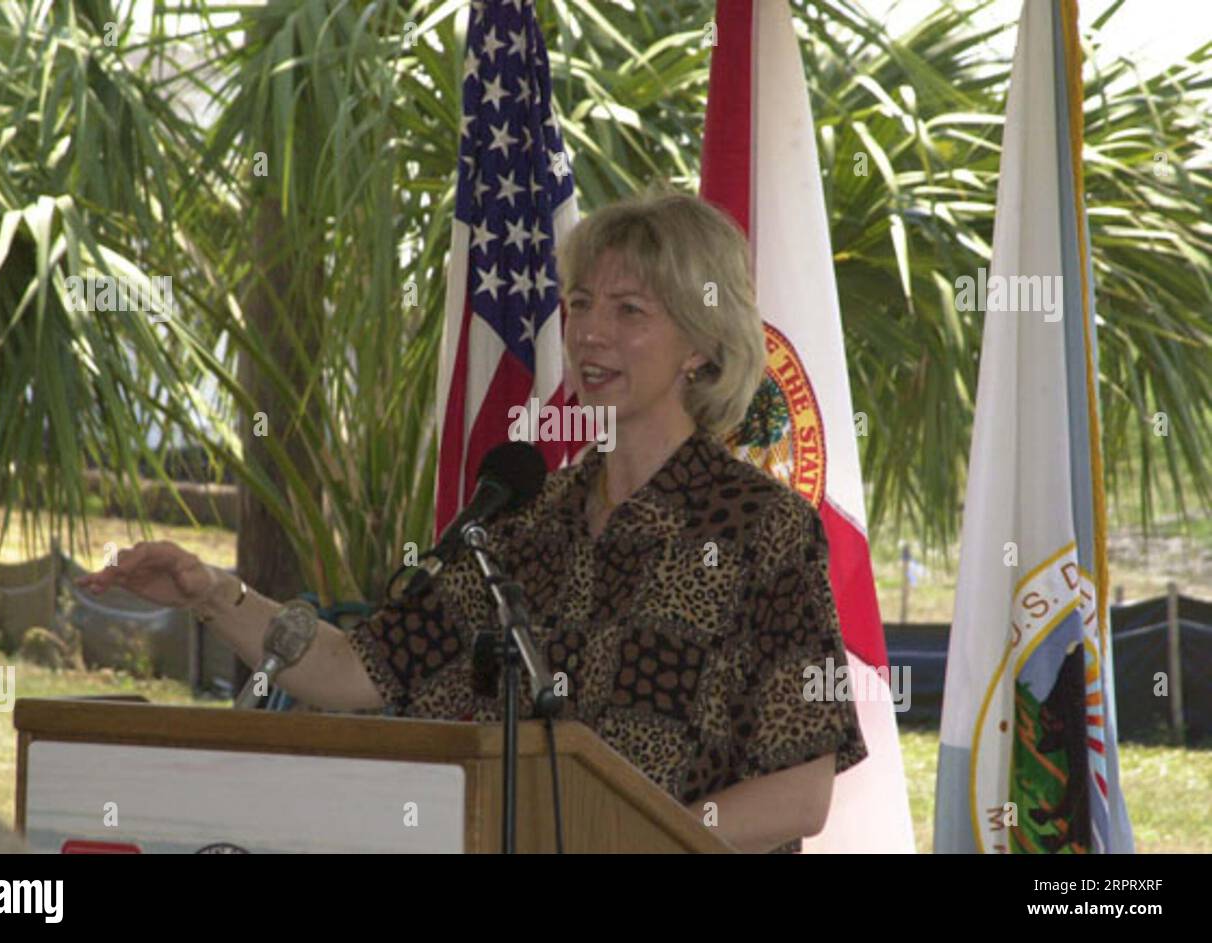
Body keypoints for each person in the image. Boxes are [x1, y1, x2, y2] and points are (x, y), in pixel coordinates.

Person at [78, 190, 868, 853]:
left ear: (701, 345)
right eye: (581, 303)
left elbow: (801, 790)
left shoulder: (762, 529)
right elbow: (354, 668)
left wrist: (637, 838)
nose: (590, 332)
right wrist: (211, 592)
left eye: (630, 311)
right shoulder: (527, 518)